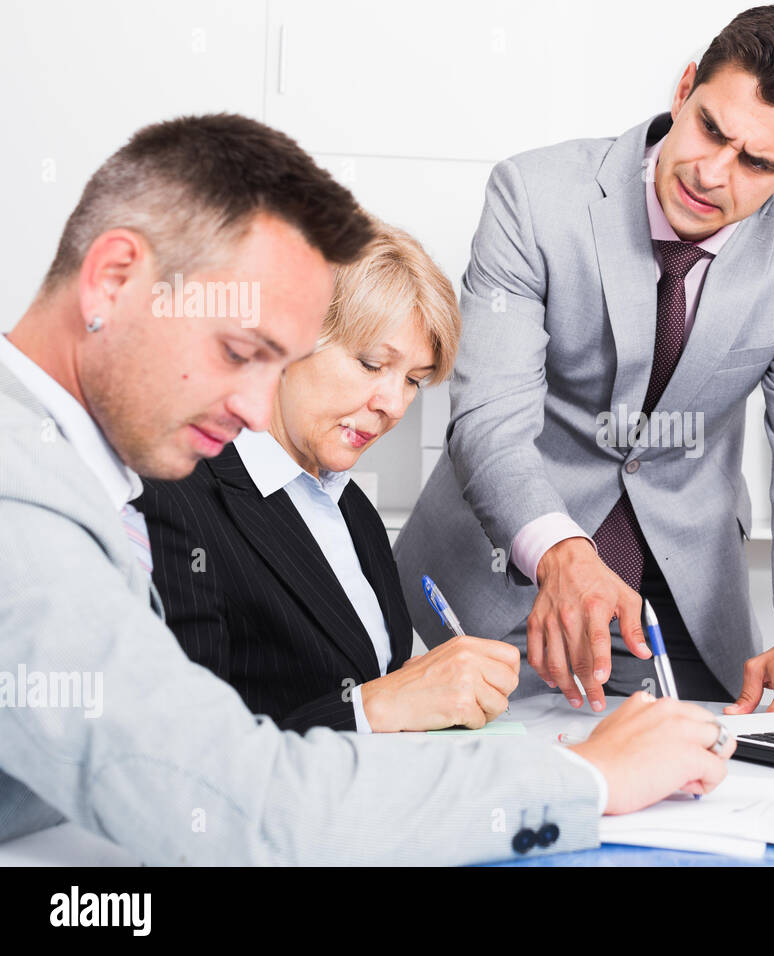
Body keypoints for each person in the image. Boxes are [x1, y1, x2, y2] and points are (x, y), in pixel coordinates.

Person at [0, 112, 735, 865]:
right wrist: (581, 778)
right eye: (238, 351)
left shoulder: (73, 470)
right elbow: (235, 804)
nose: (257, 410)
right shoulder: (20, 499)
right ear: (114, 279)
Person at [396, 4, 774, 716]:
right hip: (507, 573)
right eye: (711, 128)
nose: (712, 173)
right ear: (683, 91)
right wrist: (561, 552)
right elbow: (488, 419)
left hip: (683, 598)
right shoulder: (537, 197)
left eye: (757, 163)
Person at [136, 219, 519, 734]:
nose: (392, 405)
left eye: (412, 381)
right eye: (369, 364)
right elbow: (188, 747)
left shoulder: (352, 510)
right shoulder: (174, 497)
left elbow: (371, 683)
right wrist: (378, 705)